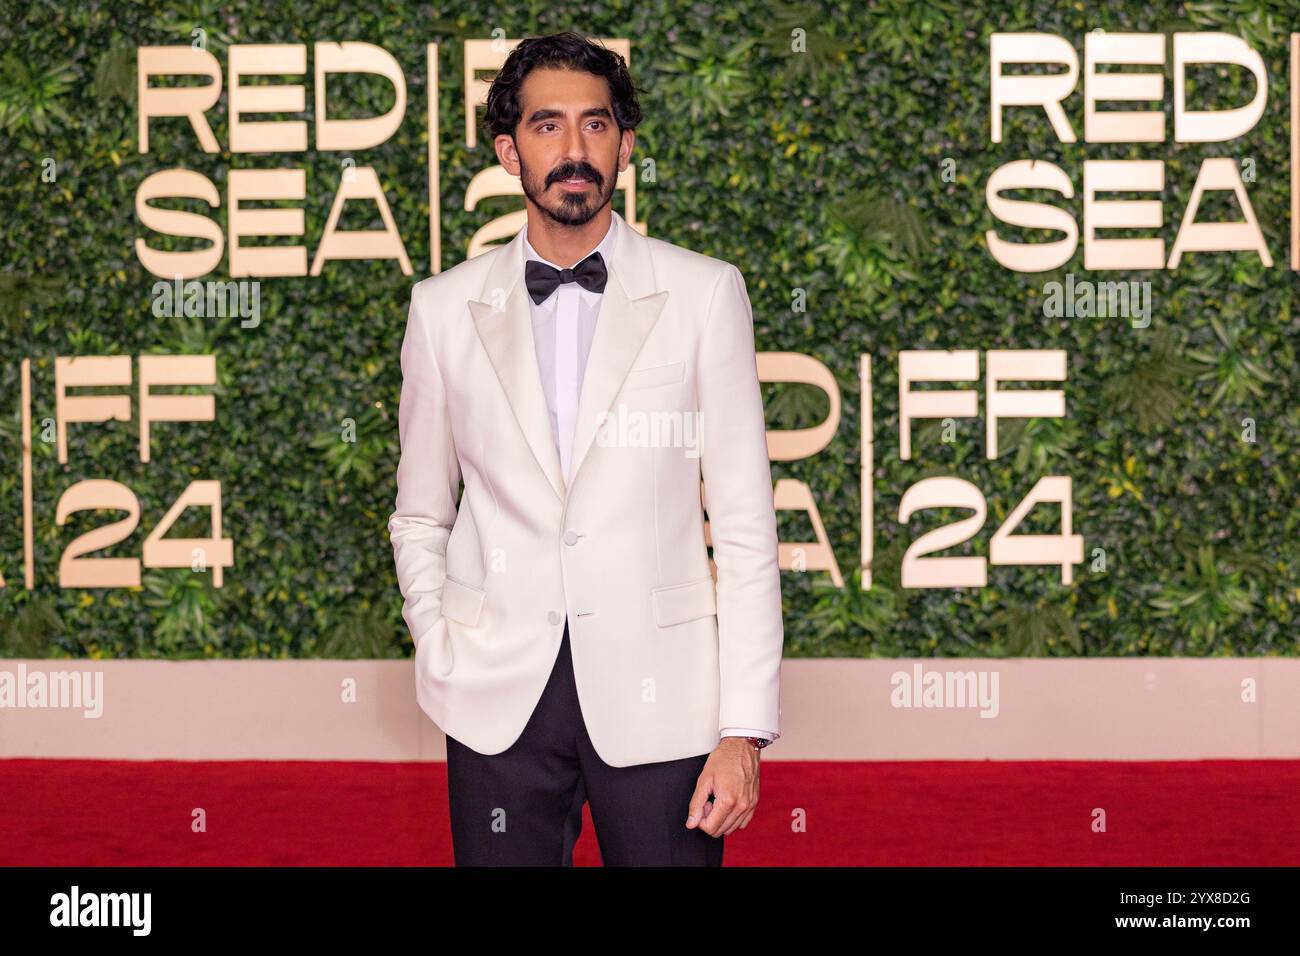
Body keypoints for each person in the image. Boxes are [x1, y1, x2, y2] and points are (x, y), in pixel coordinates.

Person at [387, 30, 783, 866]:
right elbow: (421, 513)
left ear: (625, 144)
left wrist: (743, 727)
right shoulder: (442, 309)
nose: (574, 150)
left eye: (596, 126)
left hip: (666, 695)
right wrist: (440, 637)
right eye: (546, 126)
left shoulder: (705, 293)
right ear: (508, 150)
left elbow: (745, 525)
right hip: (496, 694)